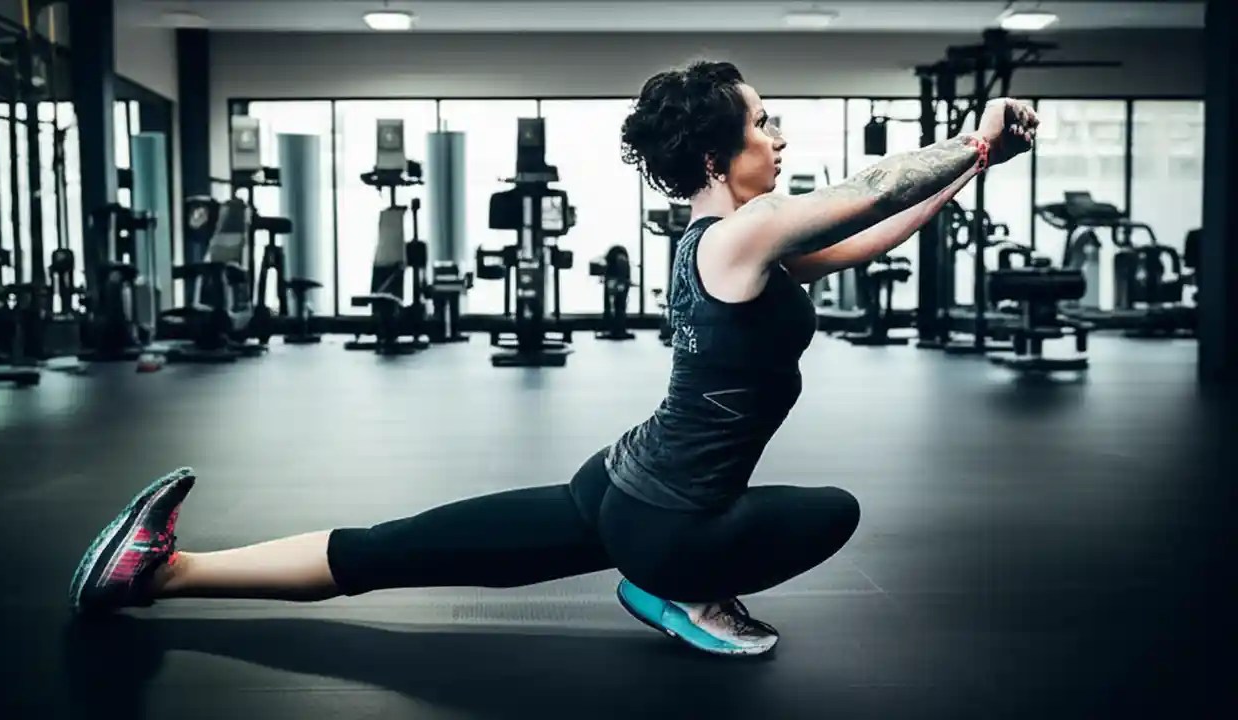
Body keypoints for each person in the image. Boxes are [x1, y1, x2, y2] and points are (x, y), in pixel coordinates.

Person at [70, 61, 1038, 657]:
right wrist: (976, 135)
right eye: (761, 122)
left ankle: (160, 573)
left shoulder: (730, 239)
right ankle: (672, 589)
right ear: (714, 156)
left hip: (613, 484)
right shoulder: (747, 234)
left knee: (386, 549)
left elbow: (871, 233)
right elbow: (871, 188)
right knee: (832, 510)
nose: (777, 136)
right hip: (669, 526)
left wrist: (975, 166)